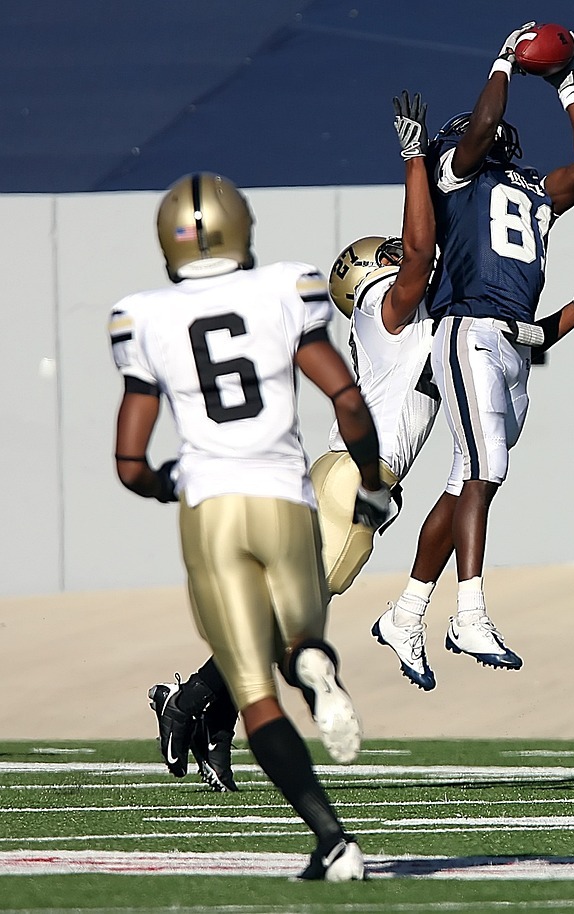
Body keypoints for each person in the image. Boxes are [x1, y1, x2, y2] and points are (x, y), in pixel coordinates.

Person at [149, 94, 574, 792]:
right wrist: (414, 163)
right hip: (352, 478)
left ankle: (205, 716)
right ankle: (190, 704)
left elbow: (520, 336)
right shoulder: (388, 306)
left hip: (360, 483)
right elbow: (415, 259)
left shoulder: (430, 322)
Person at [108, 171, 388, 881]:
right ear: (241, 227)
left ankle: (334, 843)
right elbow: (348, 401)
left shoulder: (144, 316)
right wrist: (376, 480)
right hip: (281, 495)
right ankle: (315, 667)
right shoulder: (282, 291)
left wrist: (165, 482)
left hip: (212, 507)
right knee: (297, 639)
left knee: (251, 690)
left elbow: (129, 458)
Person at [380, 21, 574, 676]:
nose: (482, 136)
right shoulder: (455, 177)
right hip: (469, 330)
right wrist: (505, 60)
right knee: (485, 472)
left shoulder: (534, 189)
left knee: (464, 486)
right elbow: (480, 130)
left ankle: (404, 614)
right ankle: (469, 616)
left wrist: (568, 86)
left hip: (513, 341)